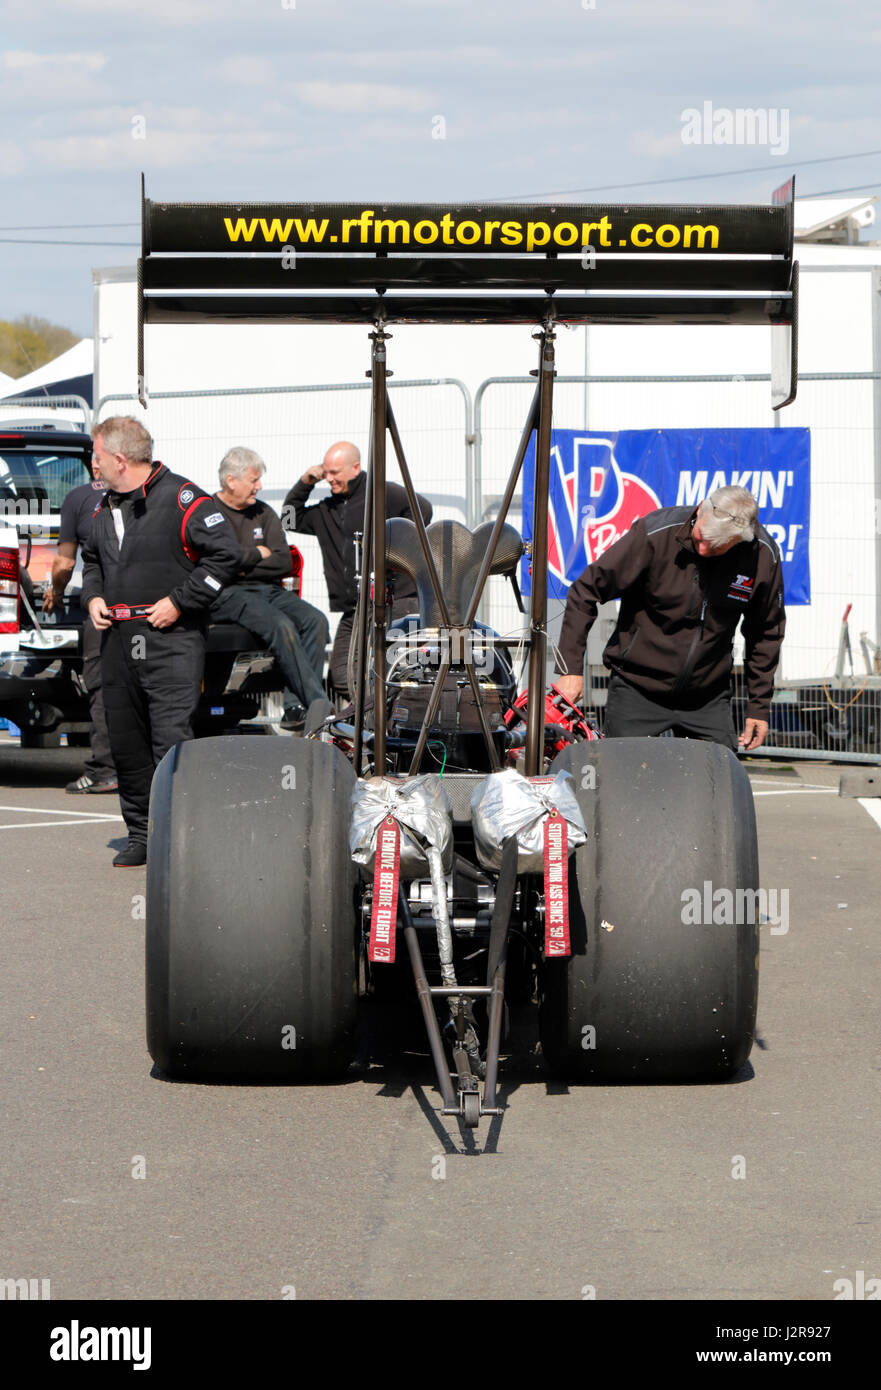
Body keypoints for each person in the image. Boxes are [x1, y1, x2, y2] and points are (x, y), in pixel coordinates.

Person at [81, 417, 242, 867]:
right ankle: (140, 834)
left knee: (170, 743)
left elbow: (226, 557)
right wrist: (93, 596)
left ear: (117, 458)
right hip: (116, 640)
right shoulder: (103, 506)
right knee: (126, 743)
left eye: (96, 457)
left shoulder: (183, 498)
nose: (91, 465)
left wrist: (179, 601)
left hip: (171, 641)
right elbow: (92, 560)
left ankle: (178, 839)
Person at [554, 486, 786, 752]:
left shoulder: (762, 554)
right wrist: (570, 669)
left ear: (739, 540)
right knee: (623, 782)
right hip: (637, 688)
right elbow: (585, 591)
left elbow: (766, 632)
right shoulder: (655, 533)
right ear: (700, 510)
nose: (702, 548)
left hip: (707, 696)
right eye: (700, 537)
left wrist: (759, 706)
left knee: (719, 783)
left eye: (715, 546)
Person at [282, 440, 432, 697]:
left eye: (334, 473)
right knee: (341, 677)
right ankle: (366, 721)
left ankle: (390, 721)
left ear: (355, 468)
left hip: (396, 599)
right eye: (325, 472)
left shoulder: (382, 492)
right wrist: (305, 482)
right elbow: (287, 519)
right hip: (355, 607)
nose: (328, 479)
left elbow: (424, 510)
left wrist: (395, 549)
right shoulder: (324, 511)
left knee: (392, 666)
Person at [209, 446, 330, 726]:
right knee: (281, 625)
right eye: (253, 480)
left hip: (269, 590)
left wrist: (240, 562)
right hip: (227, 594)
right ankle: (318, 705)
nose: (259, 487)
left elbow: (284, 562)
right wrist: (256, 555)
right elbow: (220, 566)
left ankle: (293, 706)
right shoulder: (209, 513)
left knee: (316, 621)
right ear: (231, 480)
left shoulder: (264, 513)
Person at [42, 457, 118, 794]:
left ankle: (105, 770)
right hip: (154, 609)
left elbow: (64, 562)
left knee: (102, 689)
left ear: (94, 465)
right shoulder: (158, 494)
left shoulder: (78, 498)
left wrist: (55, 592)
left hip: (102, 609)